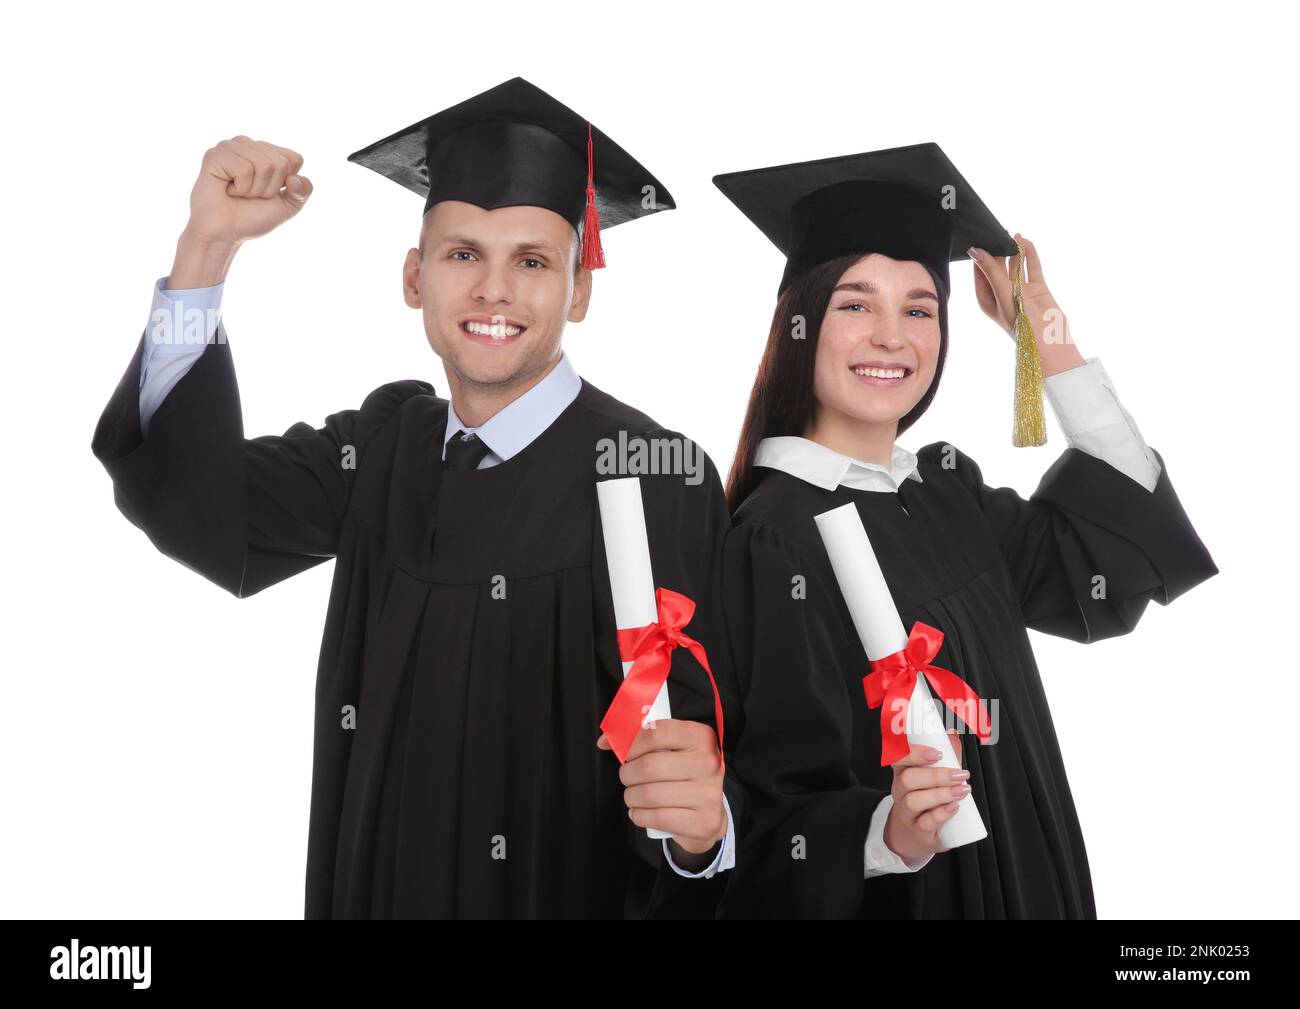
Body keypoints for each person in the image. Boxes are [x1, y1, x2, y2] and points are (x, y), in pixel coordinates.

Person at [90, 77, 741, 919]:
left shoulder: (656, 474)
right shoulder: (383, 442)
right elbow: (197, 511)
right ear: (414, 277)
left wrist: (704, 834)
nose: (494, 291)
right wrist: (206, 250)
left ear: (579, 291)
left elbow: (712, 770)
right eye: (463, 253)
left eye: (534, 261)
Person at [710, 143, 1219, 918]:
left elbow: (1111, 556)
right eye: (855, 303)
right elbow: (769, 815)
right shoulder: (772, 539)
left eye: (919, 308)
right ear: (801, 323)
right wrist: (889, 831)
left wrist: (1043, 337)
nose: (893, 336)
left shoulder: (946, 488)